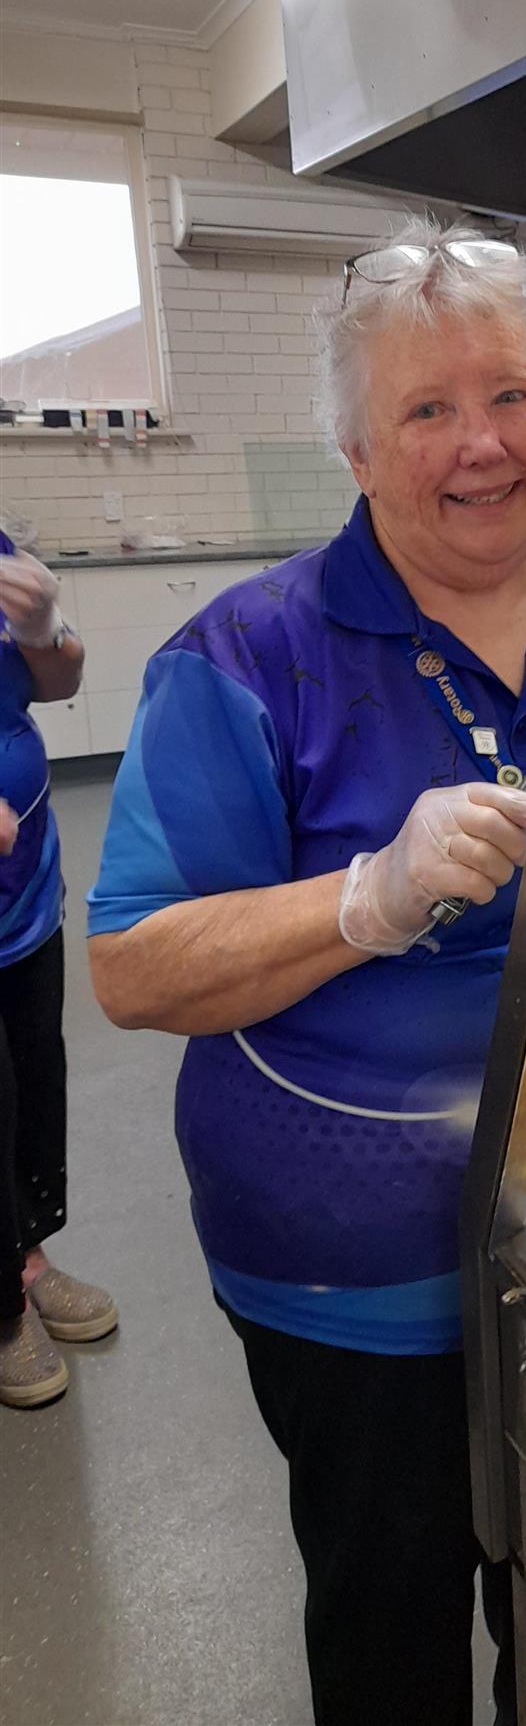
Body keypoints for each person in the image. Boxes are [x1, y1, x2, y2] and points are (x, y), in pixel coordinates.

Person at [87, 223, 526, 1724]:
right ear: (356, 447)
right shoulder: (251, 658)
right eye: (427, 411)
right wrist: (364, 898)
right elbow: (129, 965)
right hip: (368, 1269)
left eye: (510, 396)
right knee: (395, 1621)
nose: (482, 444)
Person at [0, 539, 117, 1408]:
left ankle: (27, 1256)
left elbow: (59, 682)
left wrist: (45, 630)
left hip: (23, 894)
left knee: (36, 1077)